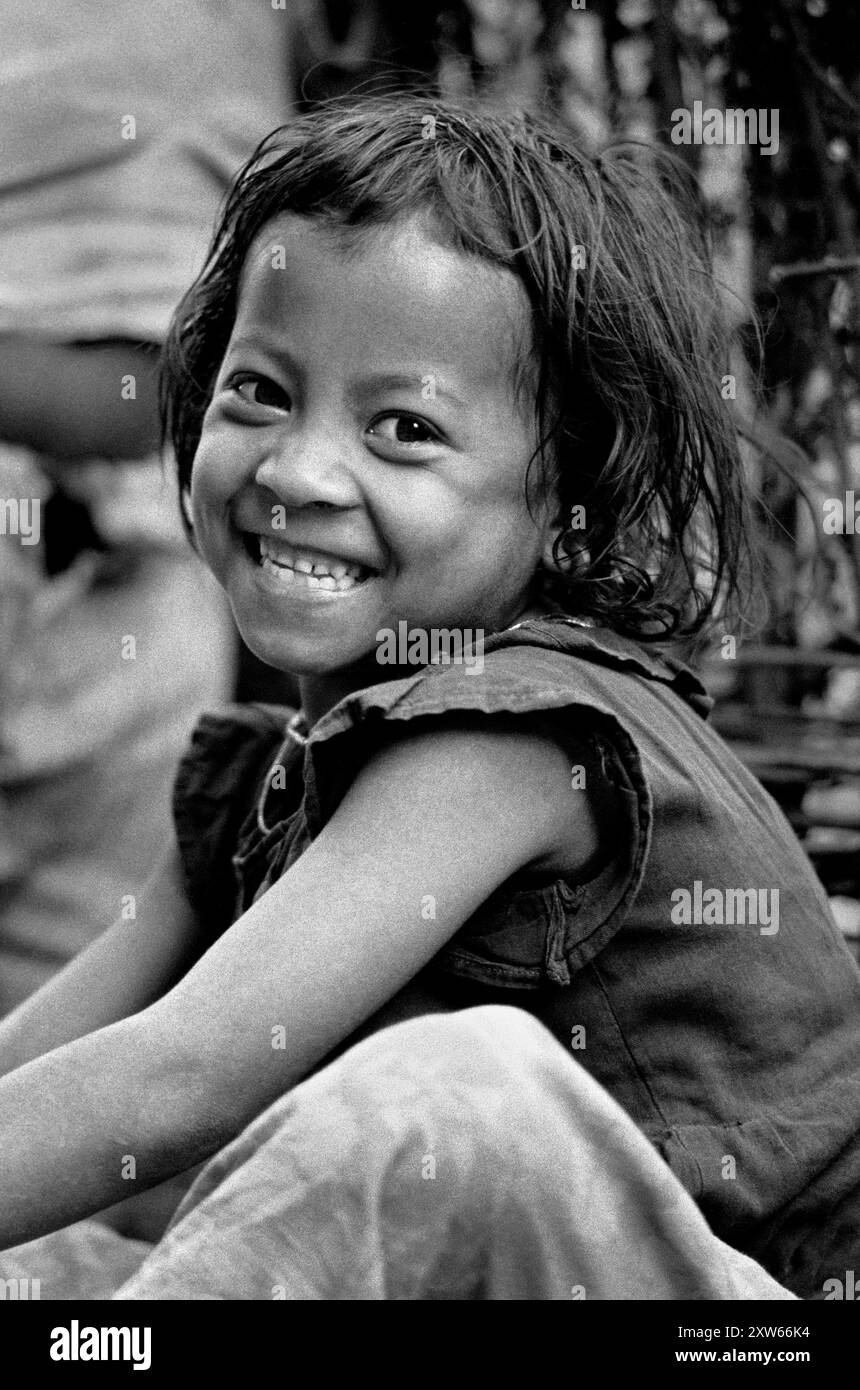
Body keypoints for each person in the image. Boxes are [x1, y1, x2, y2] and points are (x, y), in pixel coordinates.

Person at [0, 96, 857, 1301]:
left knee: (453, 1097)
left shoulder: (510, 736)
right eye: (258, 392)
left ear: (562, 502)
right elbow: (54, 1068)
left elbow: (179, 1078)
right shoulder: (265, 786)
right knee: (45, 1258)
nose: (298, 470)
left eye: (403, 428)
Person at [0, 0, 290, 1014]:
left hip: (132, 613)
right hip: (133, 589)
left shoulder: (209, 30)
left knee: (81, 1055)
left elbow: (164, 380)